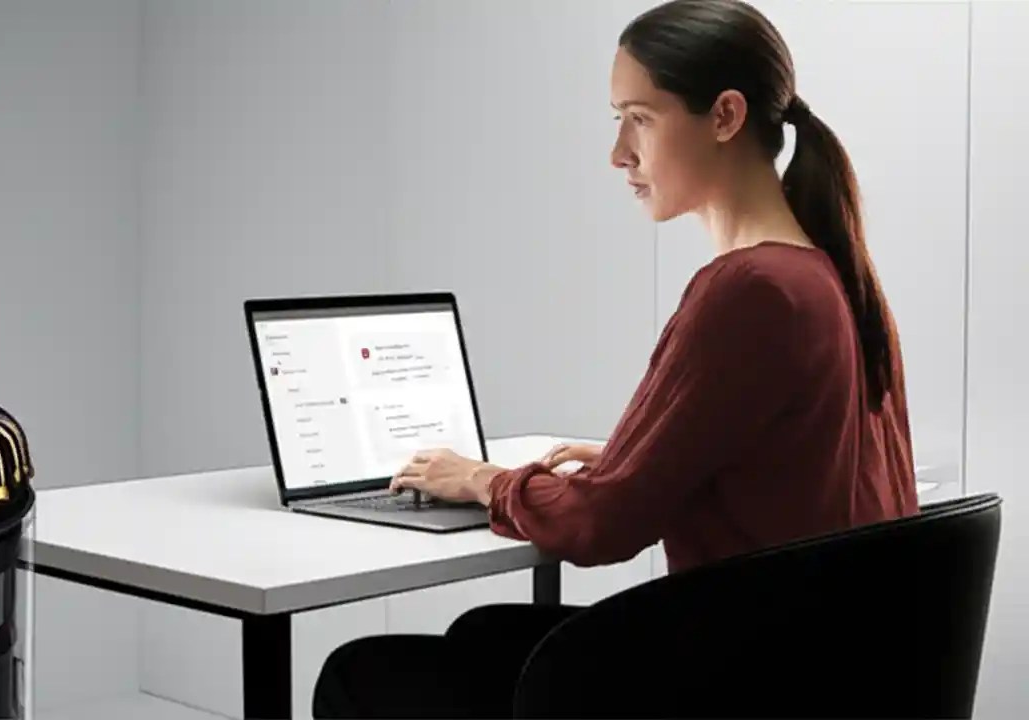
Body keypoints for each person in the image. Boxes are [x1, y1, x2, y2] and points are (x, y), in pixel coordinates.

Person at [312, 0, 919, 716]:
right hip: (815, 665)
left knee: (360, 672)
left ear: (724, 117)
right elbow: (809, 464)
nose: (619, 154)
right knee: (486, 630)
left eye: (641, 118)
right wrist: (642, 460)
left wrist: (482, 480)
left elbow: (601, 530)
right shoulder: (830, 276)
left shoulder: (750, 289)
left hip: (741, 680)